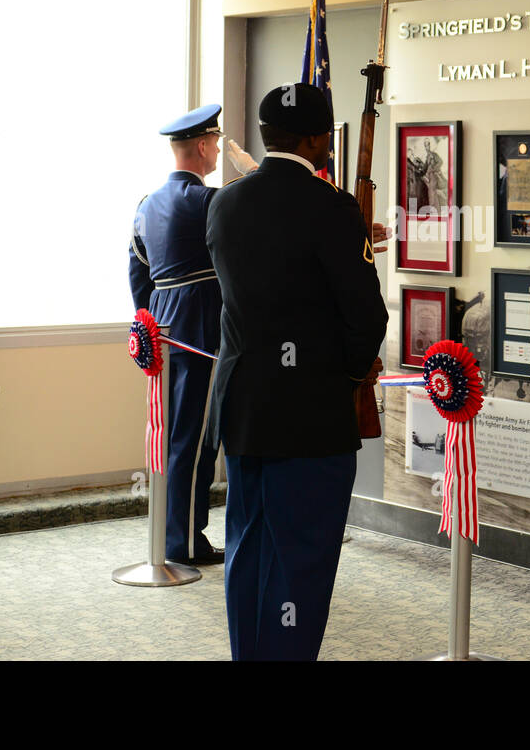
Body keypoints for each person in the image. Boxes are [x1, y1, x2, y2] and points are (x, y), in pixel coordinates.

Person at [205, 83, 387, 661]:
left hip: (243, 408)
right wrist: (351, 380)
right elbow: (366, 317)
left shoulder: (224, 202)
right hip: (310, 416)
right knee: (301, 562)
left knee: (248, 548)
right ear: (319, 140)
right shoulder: (333, 207)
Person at [128, 104, 231, 566]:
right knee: (196, 436)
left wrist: (149, 320)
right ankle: (185, 540)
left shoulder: (147, 203)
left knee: (171, 433)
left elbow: (138, 271)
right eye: (215, 143)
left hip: (164, 327)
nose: (216, 150)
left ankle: (172, 534)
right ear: (205, 146)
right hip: (201, 324)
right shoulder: (208, 202)